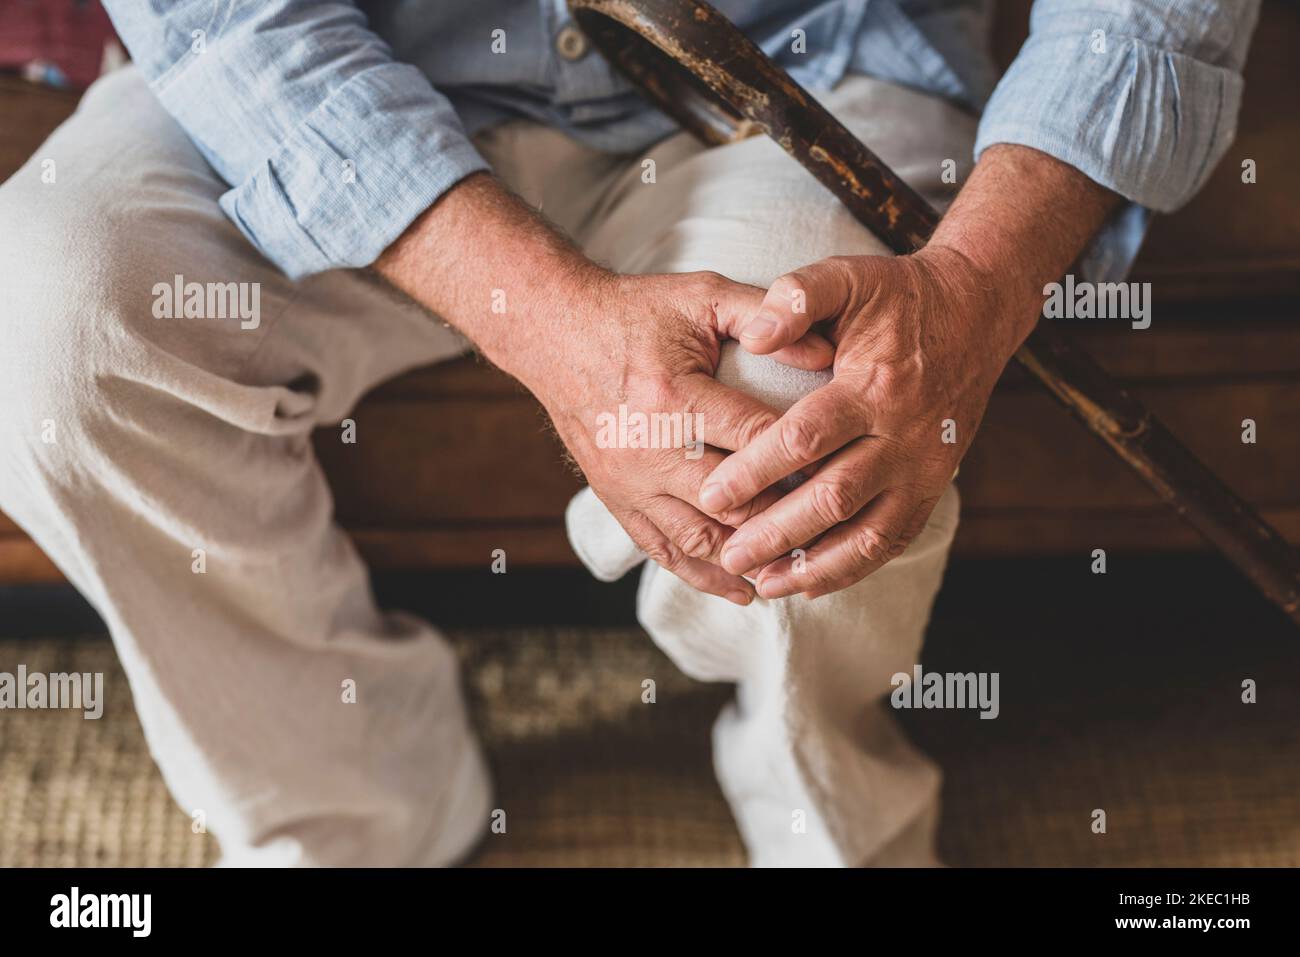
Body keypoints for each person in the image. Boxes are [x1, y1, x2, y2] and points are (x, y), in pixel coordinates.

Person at [0, 0, 1258, 865]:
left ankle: (820, 806)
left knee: (804, 423)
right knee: (51, 332)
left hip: (804, 68)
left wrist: (976, 285)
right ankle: (354, 811)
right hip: (330, 63)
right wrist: (553, 325)